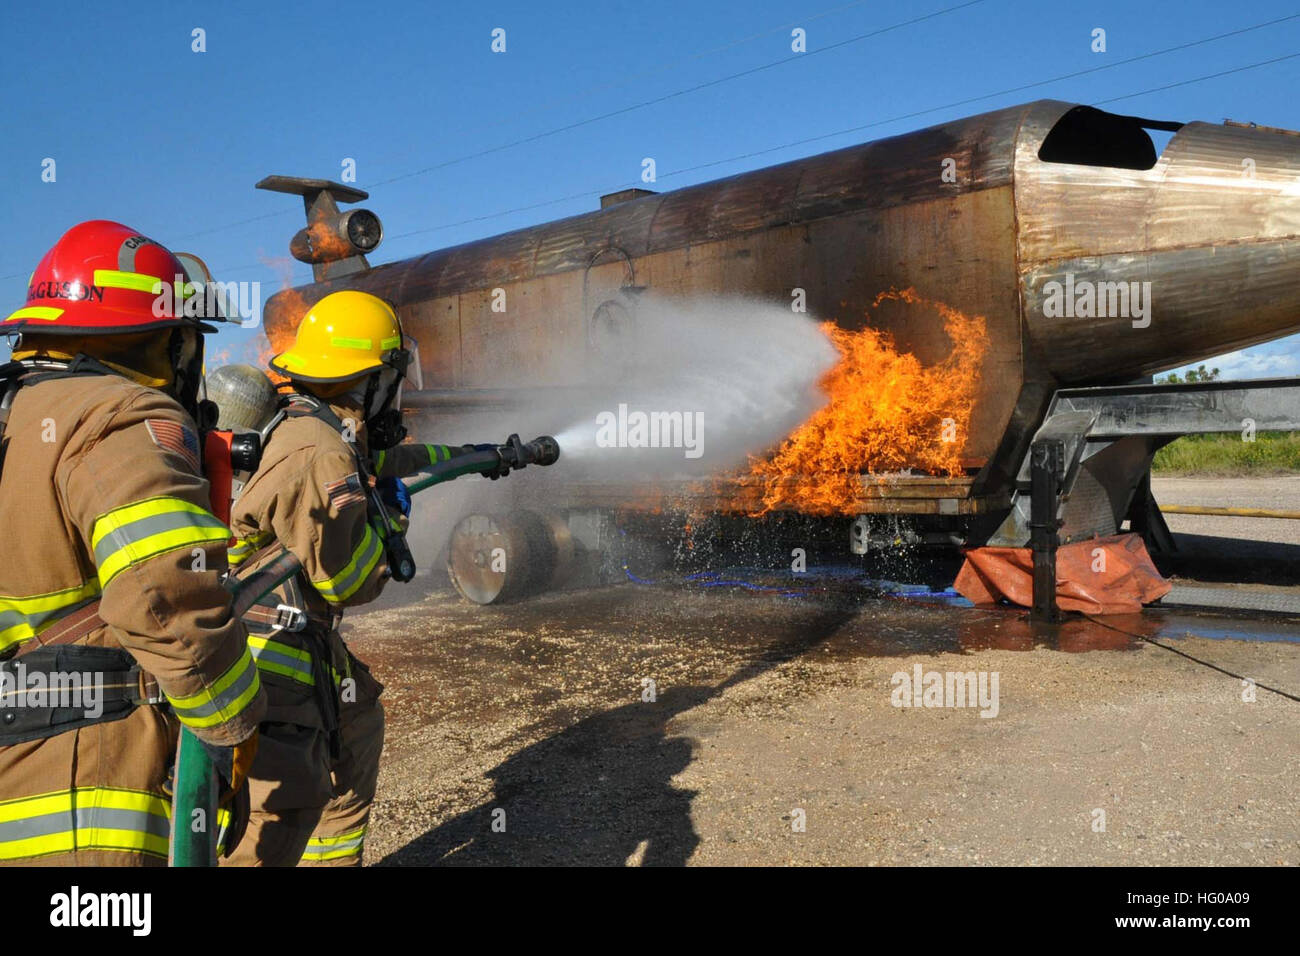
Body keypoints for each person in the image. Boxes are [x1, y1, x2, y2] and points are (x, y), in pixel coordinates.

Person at [0, 220, 265, 865]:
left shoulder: (17, 413)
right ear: (165, 340)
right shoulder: (116, 414)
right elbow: (163, 597)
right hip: (78, 792)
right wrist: (233, 722)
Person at [224, 289, 515, 866]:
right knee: (279, 812)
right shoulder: (319, 453)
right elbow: (348, 582)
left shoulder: (326, 430)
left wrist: (480, 456)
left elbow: (394, 463)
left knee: (357, 728)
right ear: (369, 380)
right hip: (269, 655)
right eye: (392, 377)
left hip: (295, 637)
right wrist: (395, 518)